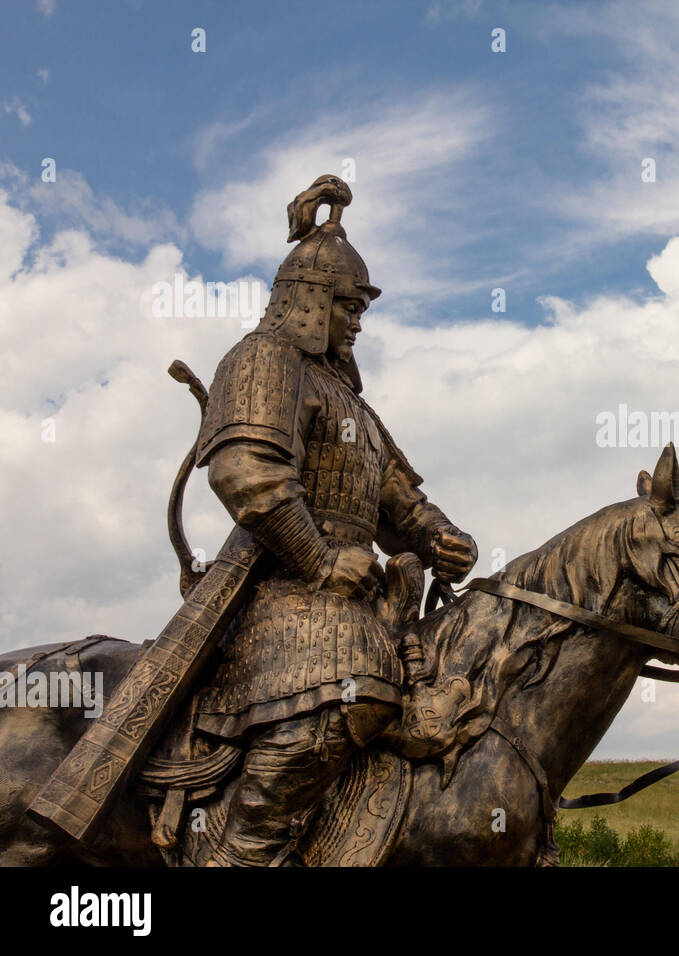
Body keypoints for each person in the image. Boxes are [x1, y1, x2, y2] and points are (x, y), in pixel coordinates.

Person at [190, 176, 477, 865]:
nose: (355, 323)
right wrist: (318, 558)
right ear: (310, 302)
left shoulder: (354, 407)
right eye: (347, 307)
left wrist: (437, 536)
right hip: (285, 588)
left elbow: (395, 499)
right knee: (353, 691)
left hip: (357, 593)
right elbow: (246, 476)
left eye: (360, 310)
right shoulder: (264, 361)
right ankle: (242, 852)